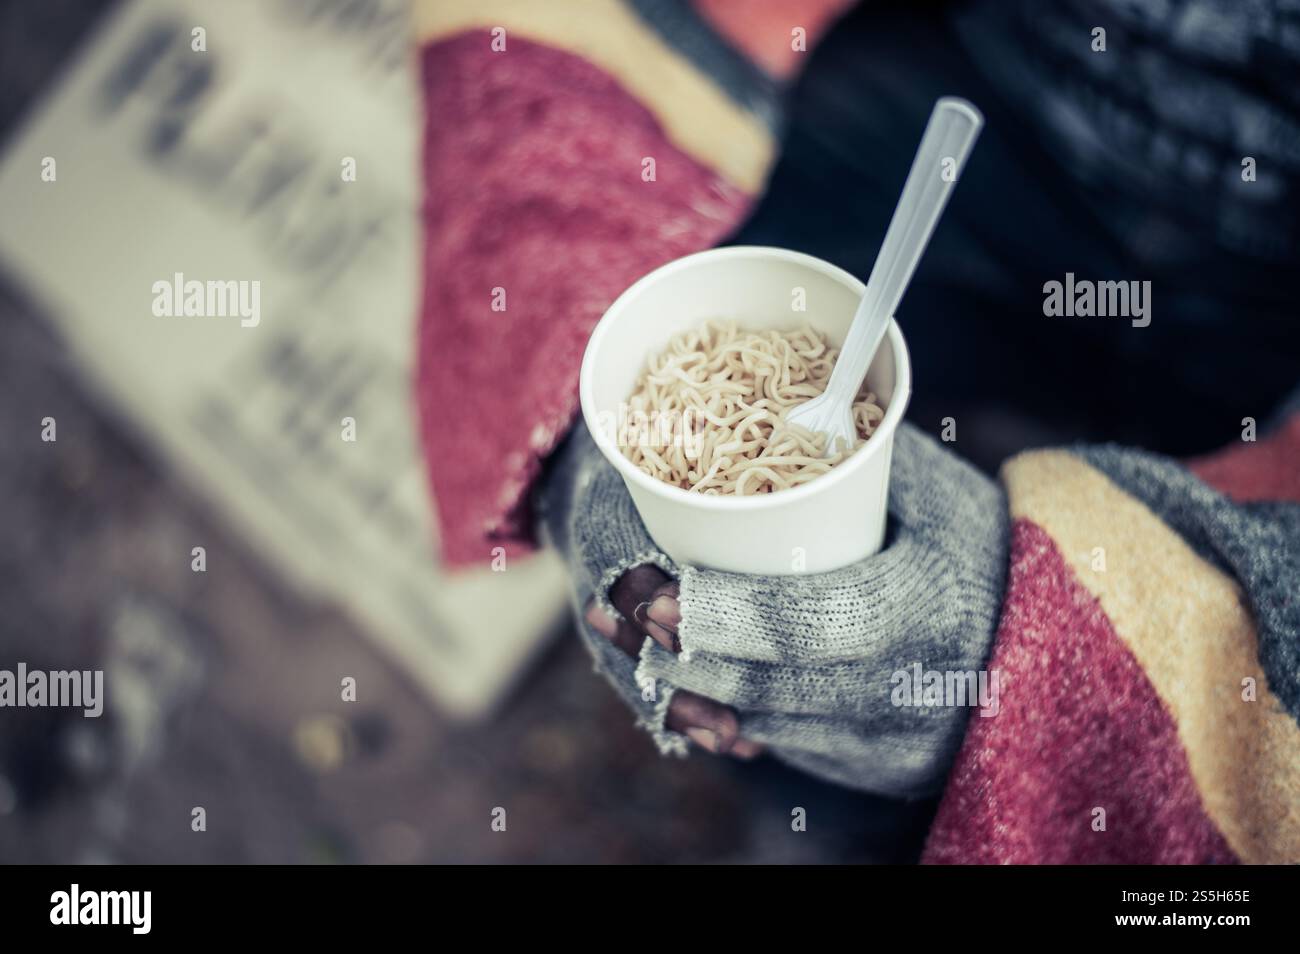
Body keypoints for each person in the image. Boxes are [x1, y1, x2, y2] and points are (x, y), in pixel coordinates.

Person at [415, 0, 1300, 862]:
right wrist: (583, 419)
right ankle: (817, 804)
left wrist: (1057, 661)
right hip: (974, 85)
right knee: (789, 671)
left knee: (1006, 697)